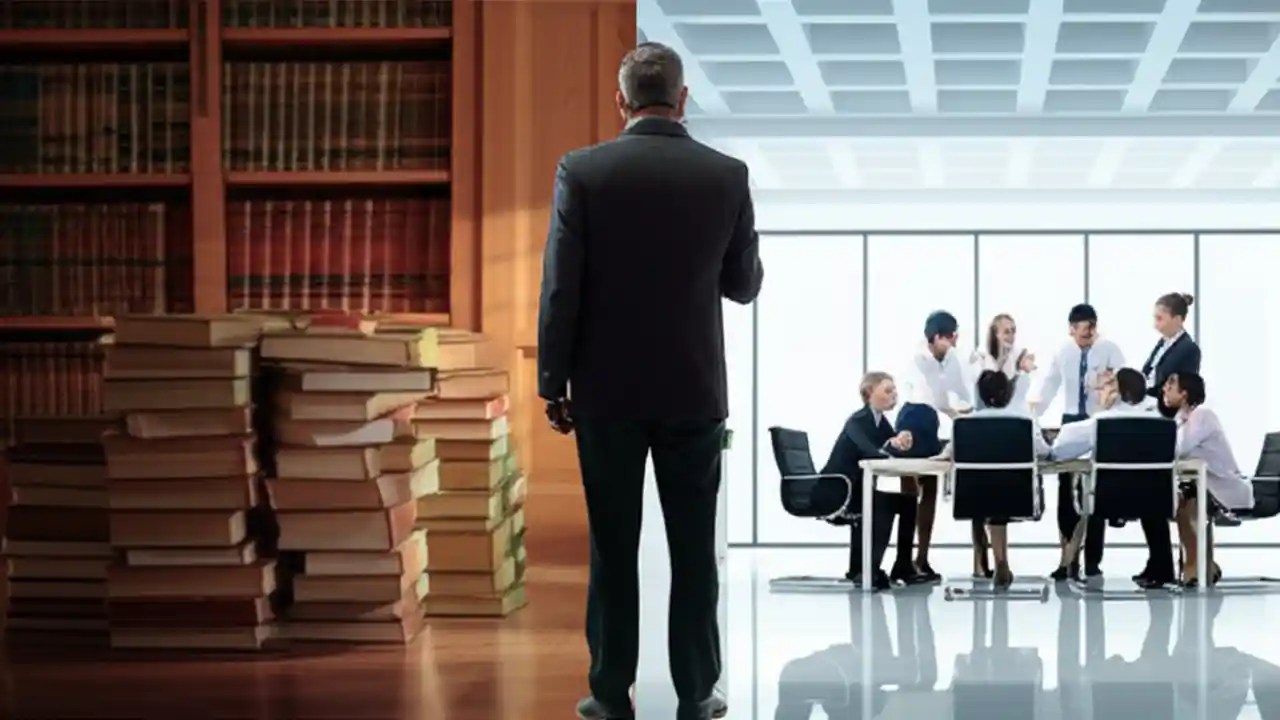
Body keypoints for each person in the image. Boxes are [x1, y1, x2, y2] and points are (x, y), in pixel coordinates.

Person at [536, 42, 763, 720]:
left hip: (605, 394)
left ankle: (611, 693)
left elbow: (560, 288)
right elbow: (743, 286)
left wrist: (555, 381)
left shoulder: (583, 170)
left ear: (622, 101)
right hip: (694, 392)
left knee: (614, 547)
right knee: (695, 550)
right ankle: (696, 692)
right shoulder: (726, 175)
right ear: (683, 98)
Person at [1030, 303, 1125, 580]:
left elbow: (1125, 383)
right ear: (1071, 329)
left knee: (1096, 490)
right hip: (1071, 420)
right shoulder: (1063, 351)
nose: (1088, 333)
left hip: (1099, 421)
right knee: (1065, 492)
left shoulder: (1110, 349)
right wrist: (1031, 416)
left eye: (1092, 328)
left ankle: (1093, 560)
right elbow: (1049, 384)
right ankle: (1067, 558)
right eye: (1083, 329)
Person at [1144, 371, 1253, 589]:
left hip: (1225, 488)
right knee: (1182, 499)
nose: (1164, 389)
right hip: (1204, 486)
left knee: (1186, 502)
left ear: (1184, 393)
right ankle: (1203, 565)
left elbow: (1178, 450)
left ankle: (1194, 568)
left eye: (1170, 386)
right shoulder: (1182, 419)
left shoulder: (1202, 416)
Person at [942, 370, 1051, 587]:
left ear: (980, 395)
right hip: (1016, 495)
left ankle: (995, 562)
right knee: (1000, 500)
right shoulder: (1026, 423)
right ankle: (1001, 561)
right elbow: (1044, 452)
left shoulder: (963, 425)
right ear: (1009, 395)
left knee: (990, 500)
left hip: (973, 497)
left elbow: (948, 453)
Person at [821, 372, 926, 590]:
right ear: (869, 394)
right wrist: (891, 444)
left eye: (894, 390)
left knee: (908, 503)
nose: (894, 395)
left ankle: (903, 566)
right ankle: (868, 569)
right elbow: (871, 451)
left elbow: (890, 448)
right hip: (838, 490)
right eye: (888, 390)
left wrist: (902, 441)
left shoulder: (880, 421)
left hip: (859, 489)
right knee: (884, 505)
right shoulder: (857, 421)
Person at [1050, 367, 1155, 580]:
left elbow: (1059, 451)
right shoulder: (1158, 417)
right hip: (1150, 499)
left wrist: (1101, 409)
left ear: (1117, 393)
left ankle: (1070, 559)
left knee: (1078, 489)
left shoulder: (1099, 422)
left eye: (1109, 383)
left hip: (1106, 499)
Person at [900, 310, 973, 583]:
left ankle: (922, 557)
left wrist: (965, 411)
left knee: (930, 488)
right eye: (950, 337)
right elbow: (933, 393)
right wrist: (954, 410)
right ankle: (905, 560)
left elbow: (956, 390)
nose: (954, 342)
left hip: (930, 421)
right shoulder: (919, 358)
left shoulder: (950, 358)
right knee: (911, 490)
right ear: (936, 337)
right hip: (913, 417)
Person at [1142, 292, 1201, 418]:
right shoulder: (1162, 343)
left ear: (1178, 319)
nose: (1155, 324)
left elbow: (1185, 388)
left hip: (1166, 411)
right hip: (1147, 403)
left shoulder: (1189, 349)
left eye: (1160, 318)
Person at [970, 313, 1036, 413]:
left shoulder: (1019, 355)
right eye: (1006, 332)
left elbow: (1029, 364)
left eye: (1013, 331)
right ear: (995, 334)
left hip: (1012, 415)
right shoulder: (982, 357)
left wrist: (1028, 364)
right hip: (985, 414)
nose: (1011, 336)